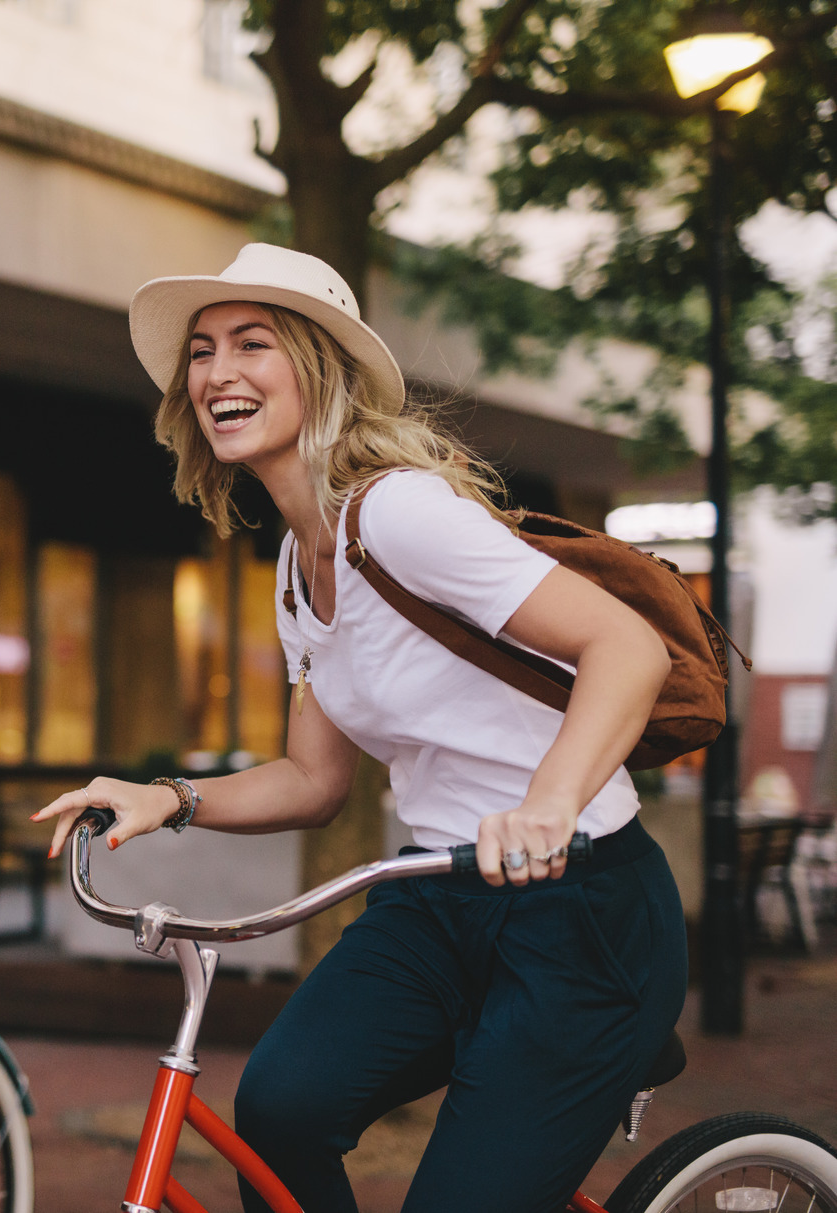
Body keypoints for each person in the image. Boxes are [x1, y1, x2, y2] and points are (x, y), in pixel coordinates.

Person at [34, 244, 688, 1213]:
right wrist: (165, 797)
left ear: (316, 367)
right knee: (279, 1107)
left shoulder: (399, 515)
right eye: (203, 351)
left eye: (251, 343)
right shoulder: (300, 566)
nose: (217, 371)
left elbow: (627, 648)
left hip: (577, 904)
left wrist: (548, 803)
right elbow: (312, 779)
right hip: (439, 897)